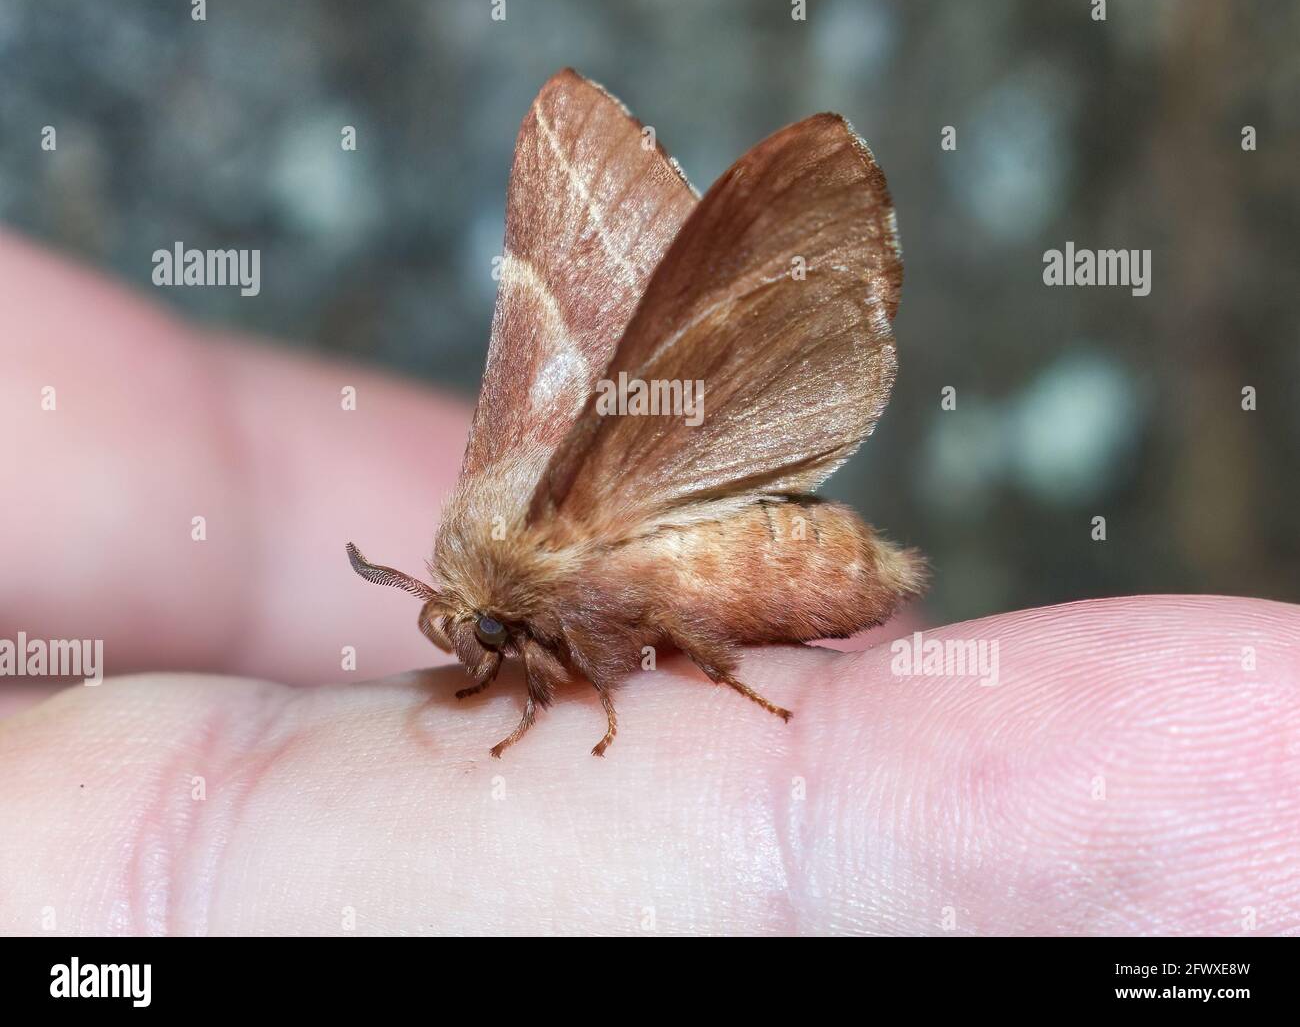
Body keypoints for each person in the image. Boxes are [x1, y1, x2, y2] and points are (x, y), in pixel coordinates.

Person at [2, 231, 1296, 936]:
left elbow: (628, 626)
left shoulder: (558, 570)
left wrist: (611, 696)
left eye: (476, 629)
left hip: (764, 562)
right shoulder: (525, 586)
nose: (469, 646)